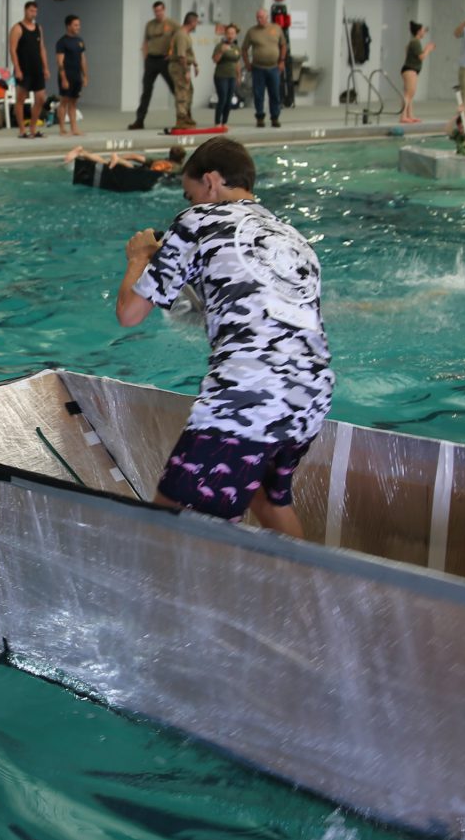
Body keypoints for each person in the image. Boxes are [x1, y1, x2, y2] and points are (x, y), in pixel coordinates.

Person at [115, 138, 333, 539]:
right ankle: (306, 598)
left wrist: (139, 258)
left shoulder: (195, 221)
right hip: (311, 397)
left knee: (166, 525)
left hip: (248, 391)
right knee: (268, 500)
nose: (191, 201)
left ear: (211, 182)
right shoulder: (294, 239)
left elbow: (129, 313)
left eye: (190, 192)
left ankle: (172, 599)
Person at [129, 0, 182, 131]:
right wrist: (145, 57)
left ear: (164, 10)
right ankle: (139, 120)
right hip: (151, 60)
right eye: (155, 11)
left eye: (160, 10)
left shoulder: (172, 24)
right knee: (146, 91)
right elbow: (145, 42)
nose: (158, 13)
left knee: (175, 89)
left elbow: (181, 38)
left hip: (165, 60)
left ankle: (184, 117)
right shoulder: (150, 25)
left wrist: (173, 54)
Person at [241, 8, 289, 128]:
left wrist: (282, 61)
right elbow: (244, 49)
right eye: (257, 17)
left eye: (261, 17)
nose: (259, 19)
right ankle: (260, 117)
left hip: (274, 68)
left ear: (267, 17)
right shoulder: (252, 32)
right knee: (258, 94)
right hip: (258, 68)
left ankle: (275, 117)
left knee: (275, 94)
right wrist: (247, 63)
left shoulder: (276, 29)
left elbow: (283, 45)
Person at [9, 0, 48, 139]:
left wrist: (46, 67)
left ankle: (32, 127)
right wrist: (17, 69)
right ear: (25, 11)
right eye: (31, 11)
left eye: (35, 11)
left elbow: (42, 48)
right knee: (20, 99)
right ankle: (22, 130)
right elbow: (12, 50)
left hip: (37, 69)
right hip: (24, 69)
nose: (34, 14)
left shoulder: (38, 28)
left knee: (41, 99)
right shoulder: (17, 28)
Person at [55, 14, 88, 137]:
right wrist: (63, 78)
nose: (78, 27)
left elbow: (83, 59)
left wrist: (85, 76)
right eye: (75, 25)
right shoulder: (62, 42)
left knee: (74, 103)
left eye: (79, 25)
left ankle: (74, 128)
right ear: (68, 26)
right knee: (64, 101)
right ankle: (62, 128)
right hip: (66, 76)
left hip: (76, 76)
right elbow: (59, 62)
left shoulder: (80, 41)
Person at [172, 10, 202, 129]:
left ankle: (186, 116)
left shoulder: (186, 34)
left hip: (184, 65)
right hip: (179, 67)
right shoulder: (182, 35)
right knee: (182, 92)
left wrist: (195, 64)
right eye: (196, 22)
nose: (197, 25)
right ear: (192, 22)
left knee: (189, 91)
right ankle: (181, 119)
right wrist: (186, 71)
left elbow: (189, 53)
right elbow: (181, 56)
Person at [211, 24, 244, 126]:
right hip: (221, 75)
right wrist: (221, 51)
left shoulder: (236, 48)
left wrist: (239, 76)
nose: (230, 35)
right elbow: (215, 60)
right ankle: (217, 122)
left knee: (229, 99)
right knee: (223, 98)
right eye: (229, 33)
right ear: (225, 34)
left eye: (232, 33)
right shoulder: (220, 46)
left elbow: (237, 62)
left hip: (232, 76)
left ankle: (224, 121)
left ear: (235, 35)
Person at [399, 21, 429, 124]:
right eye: (422, 31)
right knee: (408, 94)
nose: (424, 33)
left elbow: (407, 50)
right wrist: (428, 49)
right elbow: (421, 57)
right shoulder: (415, 42)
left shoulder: (413, 41)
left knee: (410, 94)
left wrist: (425, 48)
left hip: (411, 69)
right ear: (418, 31)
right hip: (410, 69)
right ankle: (403, 116)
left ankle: (410, 115)